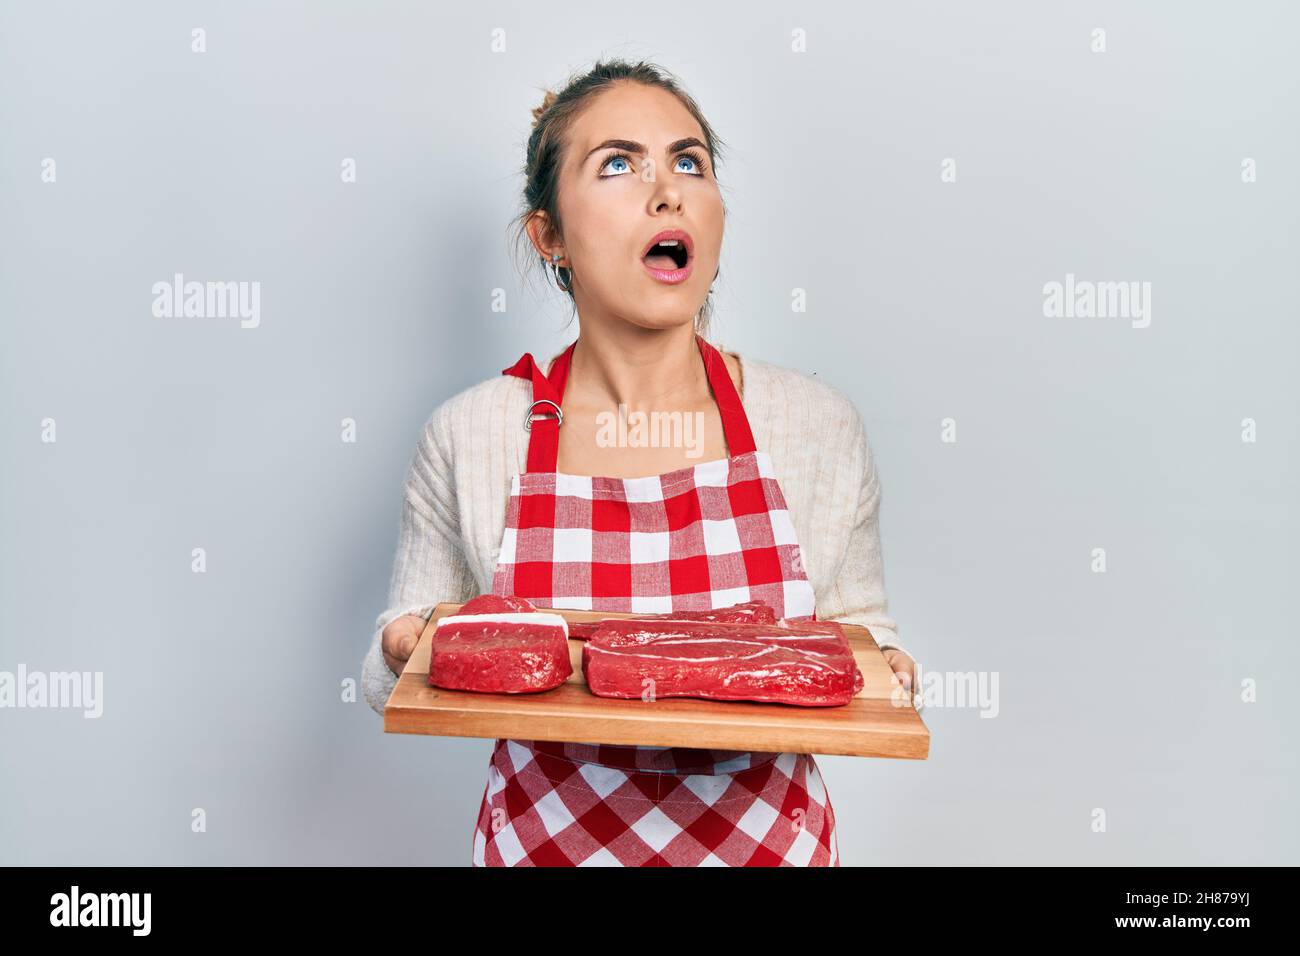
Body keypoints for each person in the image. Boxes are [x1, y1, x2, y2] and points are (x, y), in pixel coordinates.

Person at [362, 58, 920, 866]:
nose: (669, 192)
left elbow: (862, 639)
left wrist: (892, 668)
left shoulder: (814, 426)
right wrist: (403, 645)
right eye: (619, 164)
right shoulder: (474, 433)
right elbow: (394, 668)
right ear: (548, 233)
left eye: (688, 162)